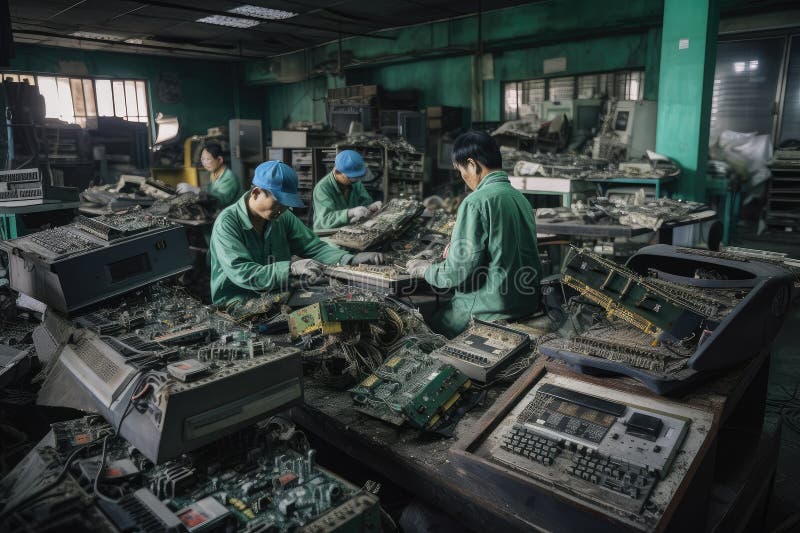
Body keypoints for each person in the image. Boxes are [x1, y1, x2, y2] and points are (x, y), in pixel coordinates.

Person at [406, 131, 542, 337]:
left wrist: (426, 270)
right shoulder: (519, 199)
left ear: (472, 164)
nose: (463, 177)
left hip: (486, 309)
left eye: (460, 170)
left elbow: (456, 272)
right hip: (524, 302)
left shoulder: (476, 201)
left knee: (421, 329)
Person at [210, 161, 384, 307]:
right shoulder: (227, 223)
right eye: (279, 203)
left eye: (287, 204)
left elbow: (314, 247)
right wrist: (291, 268)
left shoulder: (283, 217)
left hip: (276, 294)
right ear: (256, 193)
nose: (283, 210)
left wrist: (351, 259)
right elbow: (243, 273)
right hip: (236, 301)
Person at [313, 150, 382, 230]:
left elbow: (364, 204)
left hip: (350, 228)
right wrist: (350, 212)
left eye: (357, 176)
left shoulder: (355, 183)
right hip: (327, 233)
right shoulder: (322, 188)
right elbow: (325, 220)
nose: (355, 180)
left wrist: (370, 207)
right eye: (350, 177)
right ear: (337, 172)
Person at [177, 143, 243, 209]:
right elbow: (209, 190)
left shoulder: (229, 178)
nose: (204, 164)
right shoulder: (214, 174)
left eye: (208, 159)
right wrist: (193, 189)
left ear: (220, 160)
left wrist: (196, 191)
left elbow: (219, 200)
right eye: (202, 159)